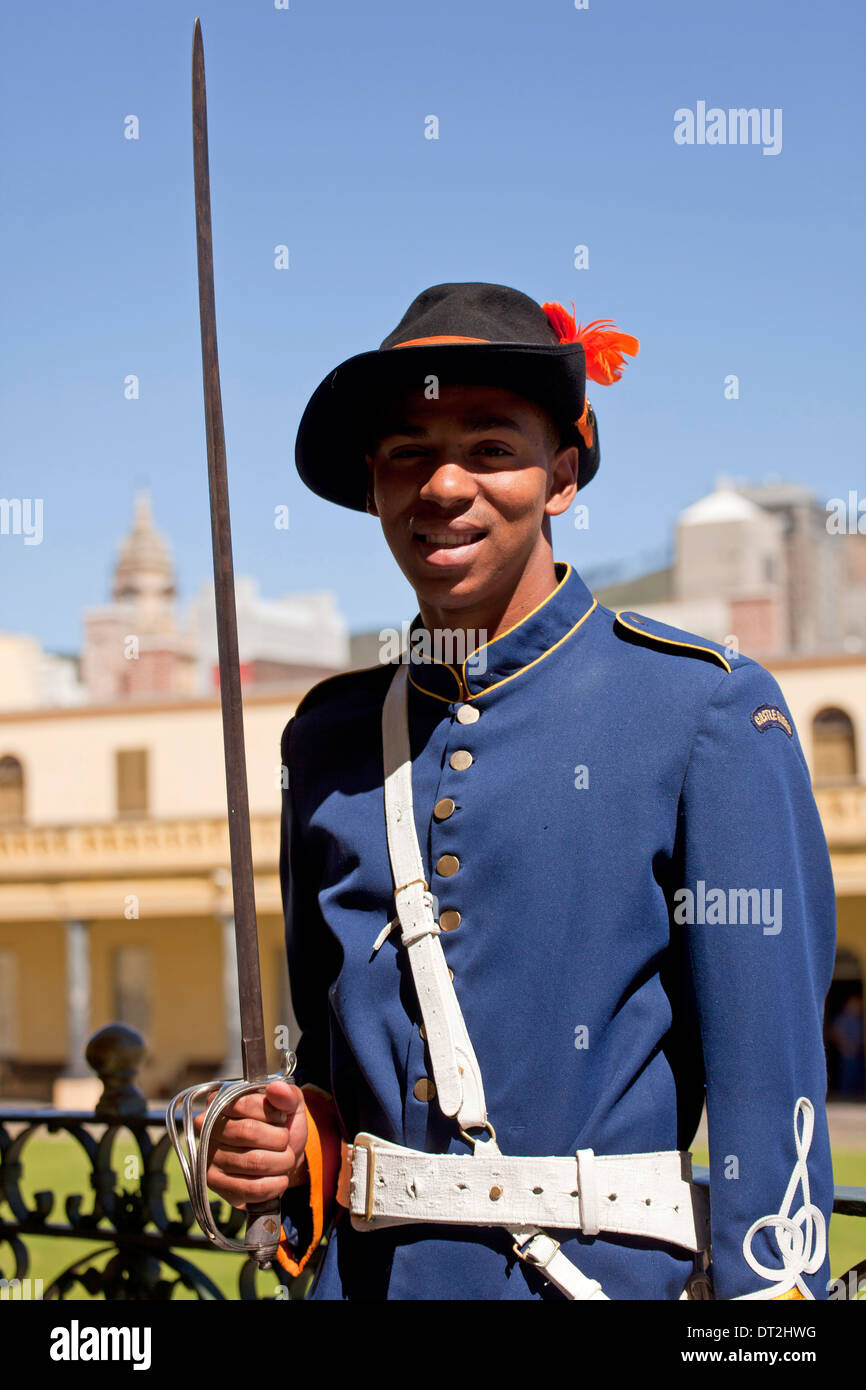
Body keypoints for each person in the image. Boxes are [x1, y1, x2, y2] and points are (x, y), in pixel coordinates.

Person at [200, 282, 836, 1300]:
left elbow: (769, 1092)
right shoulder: (327, 735)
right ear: (373, 486)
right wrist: (285, 1139)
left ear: (561, 476)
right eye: (407, 452)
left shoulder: (703, 711)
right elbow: (329, 1061)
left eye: (490, 448)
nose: (443, 485)